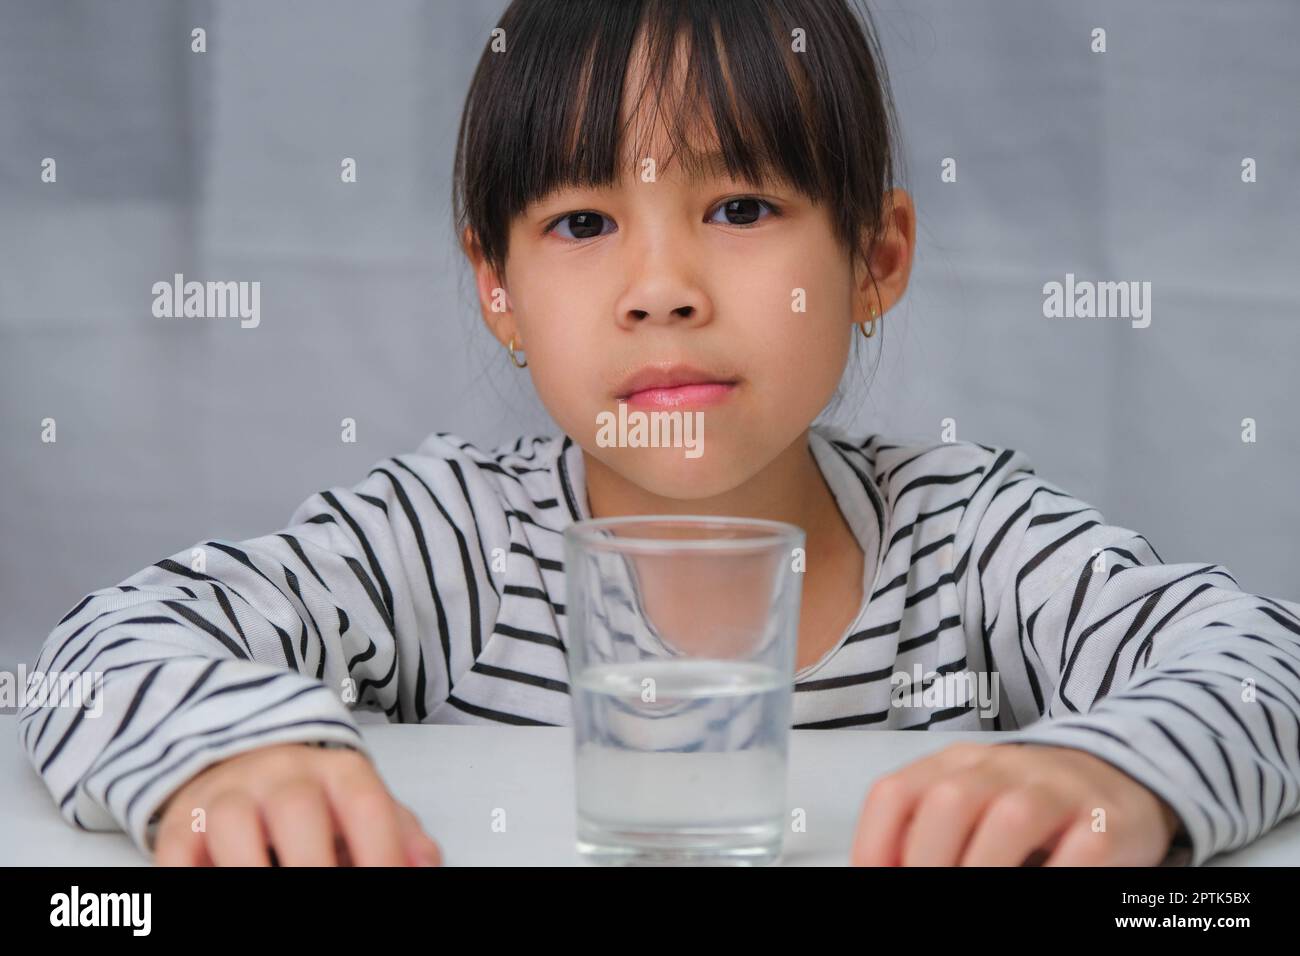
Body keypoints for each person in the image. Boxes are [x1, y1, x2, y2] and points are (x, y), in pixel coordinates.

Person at [20, 0, 1300, 867]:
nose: (662, 286)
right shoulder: (448, 539)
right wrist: (240, 757)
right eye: (582, 224)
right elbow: (102, 647)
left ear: (876, 256)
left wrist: (1113, 773)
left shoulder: (967, 542)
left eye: (739, 204)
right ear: (497, 289)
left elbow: (1258, 659)